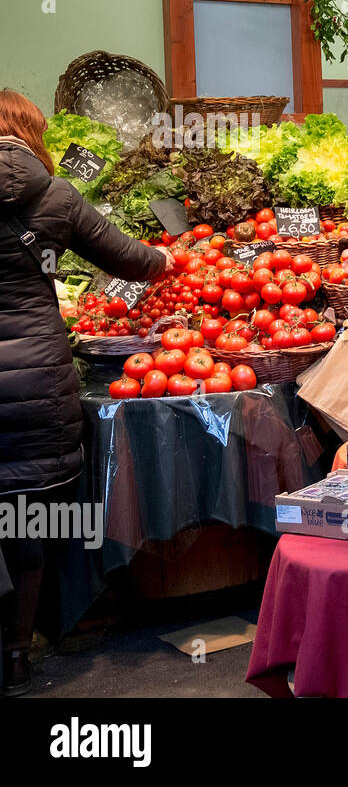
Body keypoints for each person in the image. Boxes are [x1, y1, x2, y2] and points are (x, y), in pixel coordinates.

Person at [0, 89, 170, 696]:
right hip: (36, 379)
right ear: (30, 133)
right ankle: (17, 655)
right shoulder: (54, 195)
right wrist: (168, 258)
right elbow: (131, 260)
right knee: (24, 517)